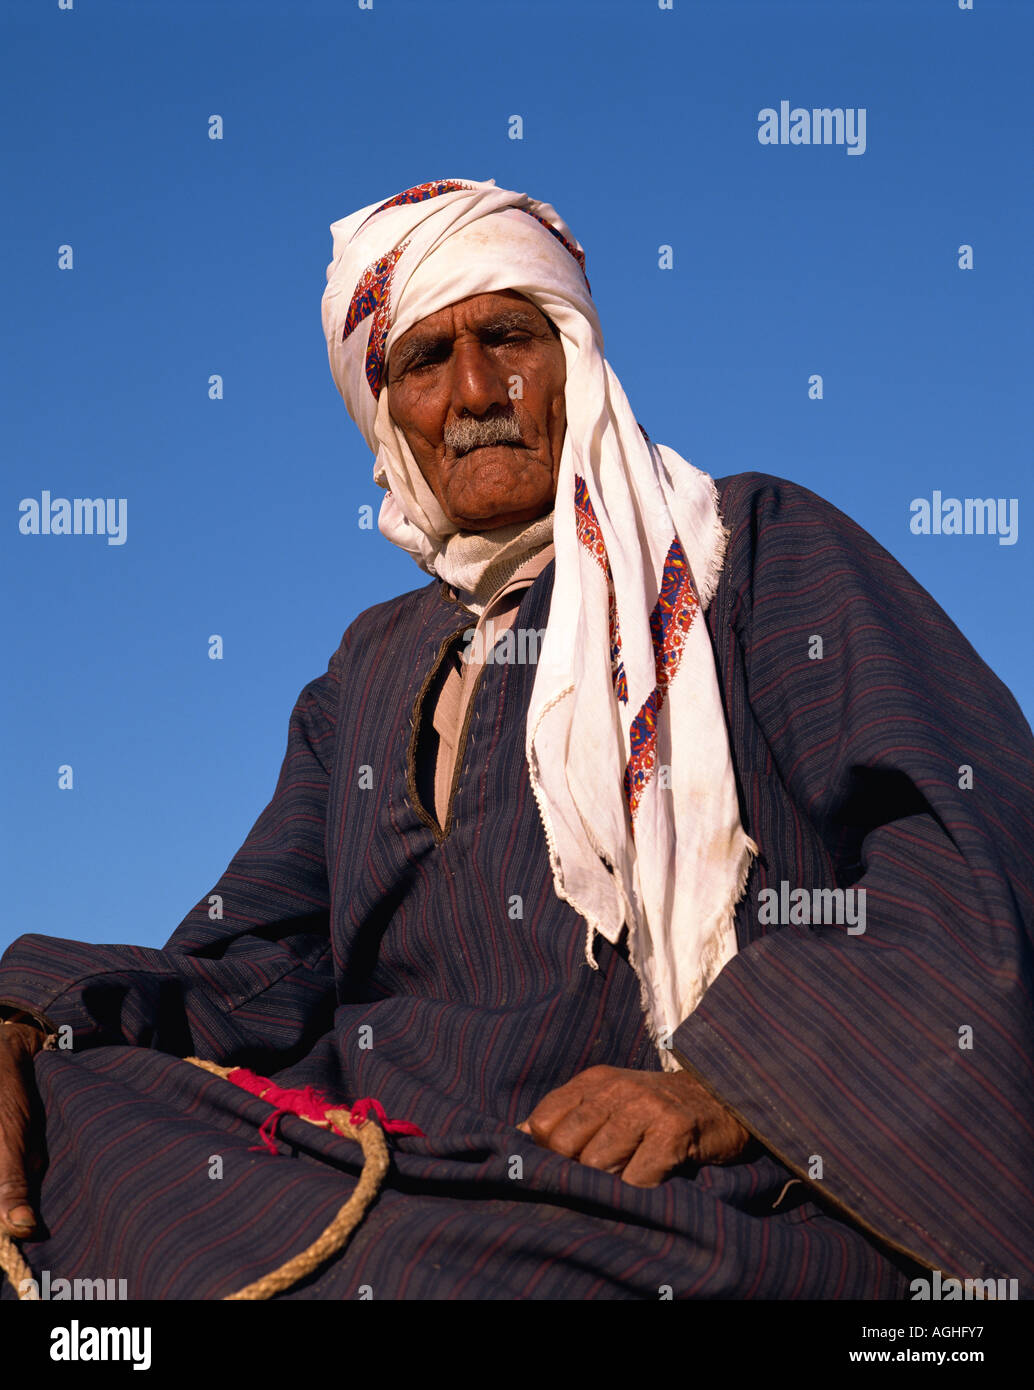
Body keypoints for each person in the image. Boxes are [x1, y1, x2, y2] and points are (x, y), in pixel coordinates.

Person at [1, 177, 1031, 1301]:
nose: (476, 393)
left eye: (506, 338)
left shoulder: (750, 554)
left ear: (573, 356)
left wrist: (730, 1089)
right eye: (425, 364)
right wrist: (22, 1022)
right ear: (386, 413)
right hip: (400, 1167)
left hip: (660, 1193)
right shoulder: (366, 668)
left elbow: (964, 856)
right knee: (69, 1114)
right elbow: (259, 961)